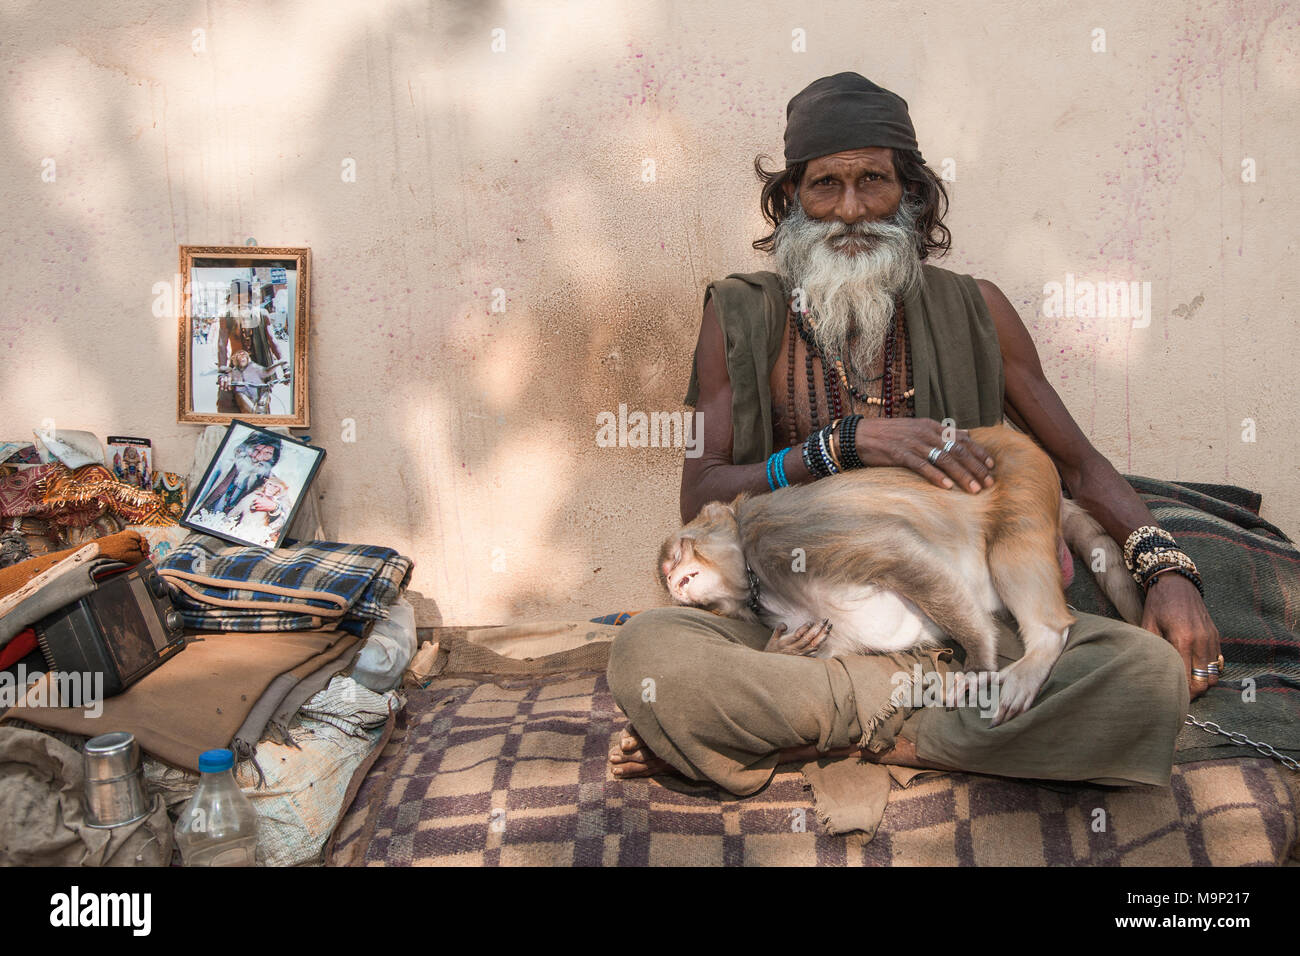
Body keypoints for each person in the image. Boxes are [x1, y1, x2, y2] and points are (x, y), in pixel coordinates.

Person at [607, 73, 1216, 796]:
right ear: (791, 200)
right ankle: (918, 727)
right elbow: (700, 494)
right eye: (825, 185)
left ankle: (819, 729)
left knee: (1143, 680)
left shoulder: (977, 308)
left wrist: (1167, 571)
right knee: (650, 656)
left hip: (957, 635)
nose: (852, 210)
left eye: (875, 181)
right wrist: (840, 446)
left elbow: (1078, 468)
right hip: (799, 628)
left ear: (913, 196)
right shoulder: (743, 314)